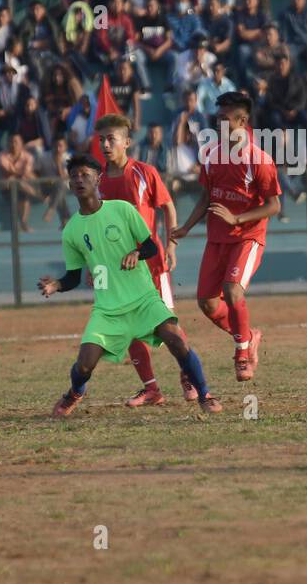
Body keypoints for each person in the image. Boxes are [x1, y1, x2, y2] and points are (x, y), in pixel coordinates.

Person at [41, 153, 223, 418]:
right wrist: (56, 285)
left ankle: (205, 394)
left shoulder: (122, 210)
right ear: (69, 183)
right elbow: (73, 276)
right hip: (107, 310)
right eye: (74, 176)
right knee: (83, 366)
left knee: (175, 339)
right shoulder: (71, 230)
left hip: (143, 299)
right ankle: (74, 393)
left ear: (98, 179)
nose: (79, 180)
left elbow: (149, 245)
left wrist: (137, 253)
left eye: (85, 175)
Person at [170, 91, 280, 381]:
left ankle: (242, 355)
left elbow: (273, 205)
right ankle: (249, 336)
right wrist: (186, 227)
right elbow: (207, 195)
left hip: (248, 237)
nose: (217, 123)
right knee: (207, 302)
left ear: (242, 120)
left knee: (232, 291)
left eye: (223, 119)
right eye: (217, 118)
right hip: (218, 238)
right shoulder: (210, 153)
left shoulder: (259, 158)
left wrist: (237, 218)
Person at [95, 113, 192, 405]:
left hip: (150, 262)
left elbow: (168, 207)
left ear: (127, 142)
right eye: (101, 139)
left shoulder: (144, 173)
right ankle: (152, 389)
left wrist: (171, 246)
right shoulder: (97, 180)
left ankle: (188, 376)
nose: (105, 144)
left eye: (111, 139)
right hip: (117, 268)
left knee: (167, 326)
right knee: (129, 328)